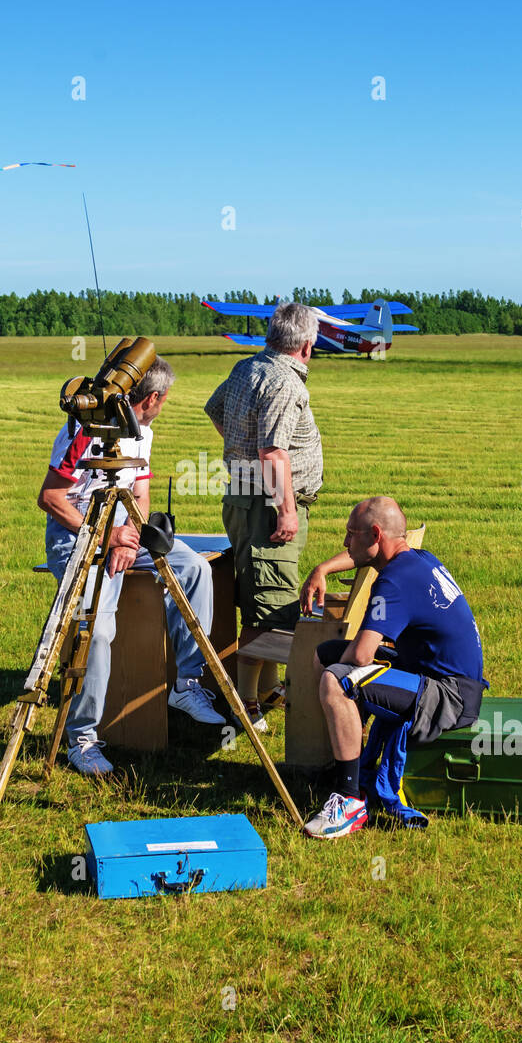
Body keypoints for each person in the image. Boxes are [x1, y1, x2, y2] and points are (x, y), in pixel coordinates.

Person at [38, 356, 225, 776]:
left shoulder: (144, 433)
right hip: (75, 536)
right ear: (154, 397)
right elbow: (51, 500)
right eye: (166, 399)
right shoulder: (85, 433)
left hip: (125, 532)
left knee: (196, 569)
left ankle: (185, 684)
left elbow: (140, 496)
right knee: (98, 630)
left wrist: (131, 537)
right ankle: (81, 738)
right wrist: (106, 538)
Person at [300, 496, 486, 839]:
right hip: (437, 677)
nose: (345, 542)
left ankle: (350, 801)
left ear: (375, 535)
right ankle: (345, 766)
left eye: (350, 534)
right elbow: (360, 555)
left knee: (336, 680)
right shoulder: (414, 559)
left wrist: (343, 681)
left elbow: (361, 657)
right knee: (326, 654)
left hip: (447, 697)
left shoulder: (393, 583)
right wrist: (322, 569)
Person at [204, 302, 323, 731]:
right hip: (266, 508)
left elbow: (216, 410)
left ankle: (268, 689)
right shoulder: (284, 382)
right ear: (307, 345)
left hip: (245, 499)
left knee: (264, 597)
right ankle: (246, 704)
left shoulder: (246, 367)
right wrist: (286, 509)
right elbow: (273, 452)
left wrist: (241, 447)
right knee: (269, 611)